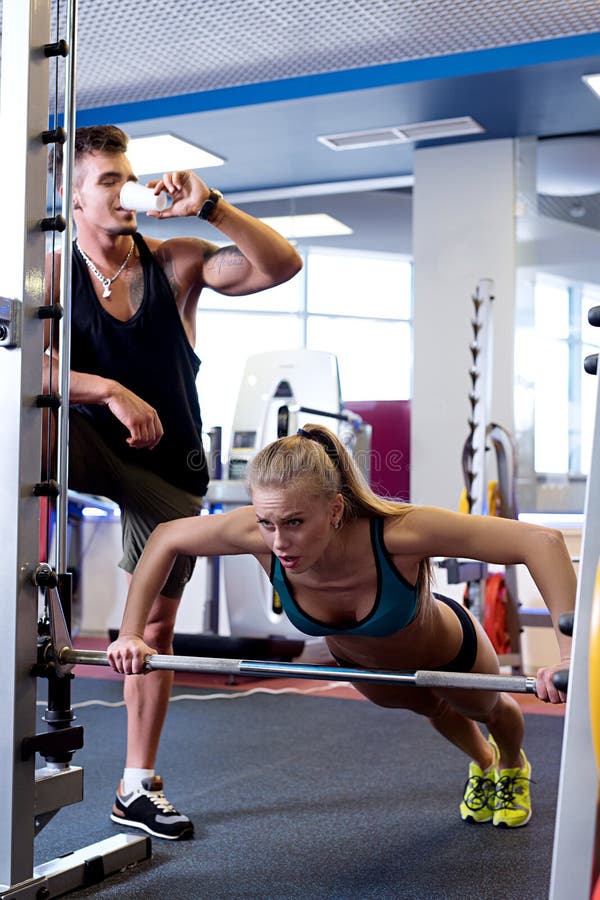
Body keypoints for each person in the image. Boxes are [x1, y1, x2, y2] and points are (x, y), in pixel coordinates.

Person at [107, 424, 575, 830]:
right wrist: (131, 632)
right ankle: (485, 763)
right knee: (432, 709)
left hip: (448, 649)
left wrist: (570, 653)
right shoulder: (260, 535)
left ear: (334, 510)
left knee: (487, 709)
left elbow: (542, 542)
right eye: (267, 522)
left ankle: (512, 764)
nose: (279, 541)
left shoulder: (397, 533)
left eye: (294, 522)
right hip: (369, 669)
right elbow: (167, 537)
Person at [44, 125, 303, 840]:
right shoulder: (50, 274)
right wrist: (106, 390)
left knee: (155, 628)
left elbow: (282, 266)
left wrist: (212, 205)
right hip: (88, 448)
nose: (123, 190)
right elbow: (28, 366)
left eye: (127, 177)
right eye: (107, 181)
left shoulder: (174, 263)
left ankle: (135, 785)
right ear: (72, 196)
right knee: (31, 417)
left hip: (171, 468)